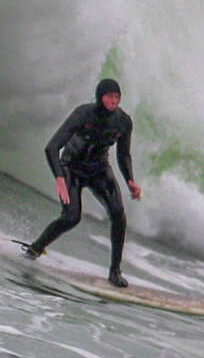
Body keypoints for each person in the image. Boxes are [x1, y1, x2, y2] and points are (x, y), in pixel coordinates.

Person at [22, 78, 141, 287]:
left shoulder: (123, 122)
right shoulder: (83, 114)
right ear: (100, 97)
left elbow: (123, 155)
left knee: (118, 215)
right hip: (71, 167)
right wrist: (59, 177)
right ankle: (35, 248)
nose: (114, 101)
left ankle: (115, 272)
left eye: (117, 97)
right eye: (109, 97)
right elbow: (52, 147)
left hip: (99, 170)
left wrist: (130, 180)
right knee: (71, 217)